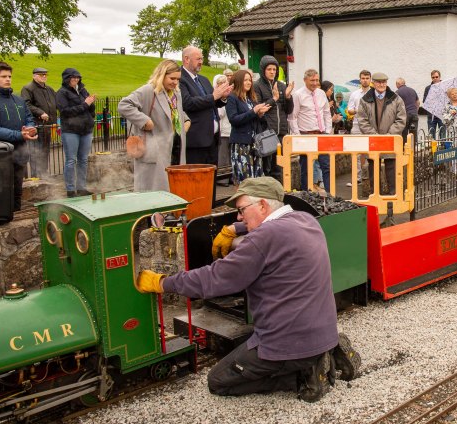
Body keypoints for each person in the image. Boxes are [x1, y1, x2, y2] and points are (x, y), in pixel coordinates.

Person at [135, 177, 360, 401]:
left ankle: (305, 377)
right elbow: (267, 224)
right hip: (323, 329)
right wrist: (236, 228)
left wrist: (164, 283)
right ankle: (329, 349)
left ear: (262, 205)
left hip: (287, 341)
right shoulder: (306, 220)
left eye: (242, 210)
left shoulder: (262, 240)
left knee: (218, 381)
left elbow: (214, 279)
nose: (239, 216)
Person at [0, 62, 39, 209]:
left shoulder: (19, 100)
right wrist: (19, 134)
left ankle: (16, 212)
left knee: (17, 189)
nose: (8, 79)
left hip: (20, 151)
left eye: (9, 76)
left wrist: (30, 129)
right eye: (3, 76)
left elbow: (29, 118)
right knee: (2, 190)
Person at [119, 60, 189, 192]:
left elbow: (175, 113)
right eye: (172, 78)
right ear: (161, 75)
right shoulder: (148, 90)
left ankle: (169, 212)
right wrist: (144, 120)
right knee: (153, 190)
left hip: (175, 147)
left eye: (178, 79)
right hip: (154, 149)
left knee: (173, 188)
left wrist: (186, 120)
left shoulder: (176, 93)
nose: (175, 82)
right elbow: (124, 105)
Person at [180, 45, 232, 172]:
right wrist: (214, 96)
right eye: (198, 59)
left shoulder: (203, 80)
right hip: (196, 141)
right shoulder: (180, 79)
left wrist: (222, 98)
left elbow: (213, 102)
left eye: (202, 58)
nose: (201, 62)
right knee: (197, 181)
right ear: (186, 59)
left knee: (211, 179)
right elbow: (187, 103)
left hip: (212, 140)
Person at [356, 71, 407, 194]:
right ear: (373, 83)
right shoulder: (365, 100)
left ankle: (393, 195)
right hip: (373, 140)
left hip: (391, 139)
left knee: (391, 168)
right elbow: (362, 120)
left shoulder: (396, 98)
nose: (381, 84)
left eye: (384, 82)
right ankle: (376, 195)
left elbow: (401, 119)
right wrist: (374, 136)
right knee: (374, 167)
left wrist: (389, 135)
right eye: (379, 82)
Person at [288, 69, 332, 193]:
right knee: (306, 167)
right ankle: (306, 195)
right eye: (312, 80)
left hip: (321, 135)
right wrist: (297, 136)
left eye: (317, 80)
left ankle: (330, 194)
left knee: (326, 165)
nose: (315, 83)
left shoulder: (321, 93)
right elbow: (292, 117)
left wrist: (327, 132)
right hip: (305, 135)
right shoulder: (298, 95)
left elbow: (327, 113)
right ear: (305, 80)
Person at [226, 69, 271, 185]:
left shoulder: (251, 98)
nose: (249, 82)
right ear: (239, 81)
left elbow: (254, 118)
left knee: (256, 178)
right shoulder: (232, 98)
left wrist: (260, 114)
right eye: (245, 80)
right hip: (241, 144)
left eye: (250, 80)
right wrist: (253, 111)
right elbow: (234, 119)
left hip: (255, 145)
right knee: (244, 180)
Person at [54, 68, 95, 198]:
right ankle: (70, 189)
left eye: (77, 78)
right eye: (73, 78)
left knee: (83, 160)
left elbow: (89, 108)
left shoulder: (82, 90)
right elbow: (65, 112)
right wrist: (85, 104)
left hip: (86, 129)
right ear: (67, 79)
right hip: (71, 130)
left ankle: (81, 187)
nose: (76, 80)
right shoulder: (61, 93)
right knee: (71, 160)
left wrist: (91, 103)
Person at [254, 55, 294, 179]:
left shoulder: (281, 86)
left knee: (279, 168)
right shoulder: (257, 86)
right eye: (269, 69)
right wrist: (274, 99)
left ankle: (279, 194)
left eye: (274, 69)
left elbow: (289, 110)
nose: (272, 72)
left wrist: (288, 98)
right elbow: (259, 108)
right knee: (267, 167)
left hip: (281, 133)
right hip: (266, 133)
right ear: (263, 70)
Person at [21, 67, 57, 178]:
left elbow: (55, 103)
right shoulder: (28, 88)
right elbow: (26, 104)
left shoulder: (49, 89)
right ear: (34, 76)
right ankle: (36, 176)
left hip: (48, 125)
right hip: (36, 125)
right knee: (36, 152)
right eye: (41, 75)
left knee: (45, 150)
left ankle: (44, 173)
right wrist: (40, 112)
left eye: (45, 74)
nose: (44, 76)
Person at [346, 70, 372, 187]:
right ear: (360, 79)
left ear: (370, 79)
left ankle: (369, 178)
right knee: (355, 153)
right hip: (357, 125)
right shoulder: (355, 94)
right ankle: (357, 178)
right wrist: (357, 111)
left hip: (371, 126)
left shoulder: (374, 94)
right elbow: (349, 110)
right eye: (363, 78)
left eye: (367, 78)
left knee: (369, 153)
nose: (365, 80)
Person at [213, 74, 232, 181]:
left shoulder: (227, 96)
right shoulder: (216, 97)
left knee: (228, 156)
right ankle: (222, 179)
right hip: (223, 130)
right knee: (223, 156)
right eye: (220, 83)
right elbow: (219, 114)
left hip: (230, 129)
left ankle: (229, 178)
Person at [421, 69, 443, 137]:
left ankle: (443, 147)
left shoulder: (444, 87)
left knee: (442, 135)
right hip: (431, 115)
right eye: (433, 77)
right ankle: (433, 147)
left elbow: (448, 99)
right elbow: (424, 101)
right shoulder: (428, 88)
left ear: (440, 77)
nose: (435, 79)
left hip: (442, 114)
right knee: (431, 135)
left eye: (436, 77)